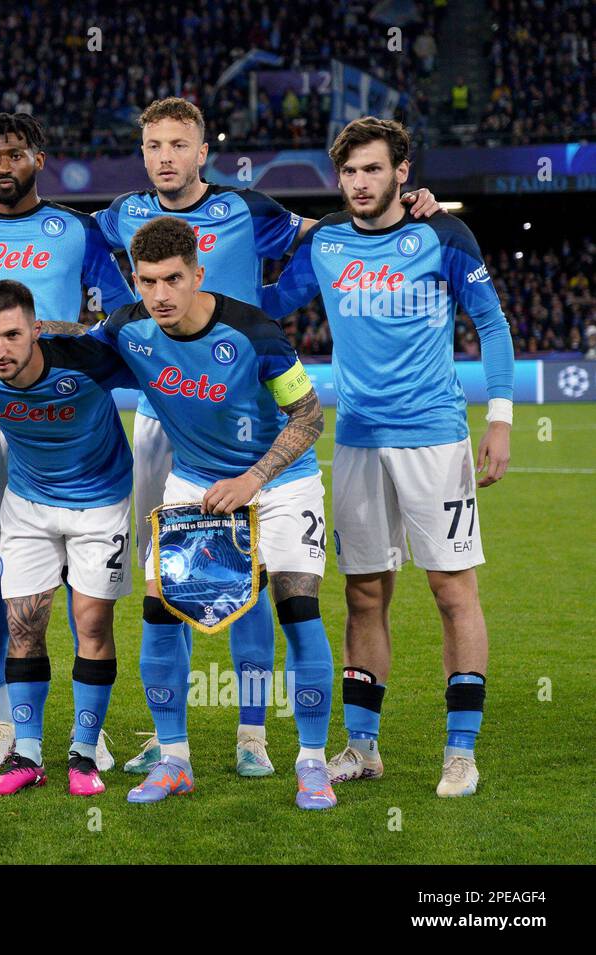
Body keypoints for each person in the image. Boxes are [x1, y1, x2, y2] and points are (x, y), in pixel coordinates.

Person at [0, 97, 441, 776]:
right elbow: (50, 232)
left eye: (178, 145)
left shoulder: (248, 209)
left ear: (203, 150)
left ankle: (252, 731)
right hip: (163, 414)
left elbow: (331, 230)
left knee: (250, 577)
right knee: (171, 585)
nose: (165, 158)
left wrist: (408, 202)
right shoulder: (119, 216)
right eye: (153, 145)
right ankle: (166, 736)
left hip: (245, 410)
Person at [262, 117, 514, 797]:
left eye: (373, 169)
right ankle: (362, 746)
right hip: (359, 440)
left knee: (450, 588)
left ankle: (460, 752)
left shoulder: (442, 235)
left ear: (402, 172)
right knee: (365, 593)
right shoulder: (327, 243)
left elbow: (491, 323)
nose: (359, 183)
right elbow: (267, 307)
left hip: (435, 436)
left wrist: (500, 417)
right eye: (349, 172)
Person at [86, 216, 337, 810]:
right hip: (194, 483)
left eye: (173, 279)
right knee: (159, 612)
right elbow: (69, 345)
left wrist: (253, 479)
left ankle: (312, 763)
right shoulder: (129, 328)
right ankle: (174, 759)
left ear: (198, 274)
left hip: (279, 485)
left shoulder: (257, 333)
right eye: (147, 281)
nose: (161, 295)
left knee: (299, 613)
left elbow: (309, 418)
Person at [0, 112, 135, 773]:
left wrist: (59, 329)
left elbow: (119, 312)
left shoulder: (75, 231)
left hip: (71, 419)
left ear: (38, 159)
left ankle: (88, 727)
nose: (2, 166)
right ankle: (1, 719)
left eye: (15, 154)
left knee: (85, 580)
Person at [0, 280, 136, 797]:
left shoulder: (90, 359)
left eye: (13, 336)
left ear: (37, 331)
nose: (0, 350)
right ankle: (28, 755)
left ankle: (84, 754)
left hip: (100, 503)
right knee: (24, 625)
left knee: (91, 624)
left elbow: (157, 359)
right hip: (26, 506)